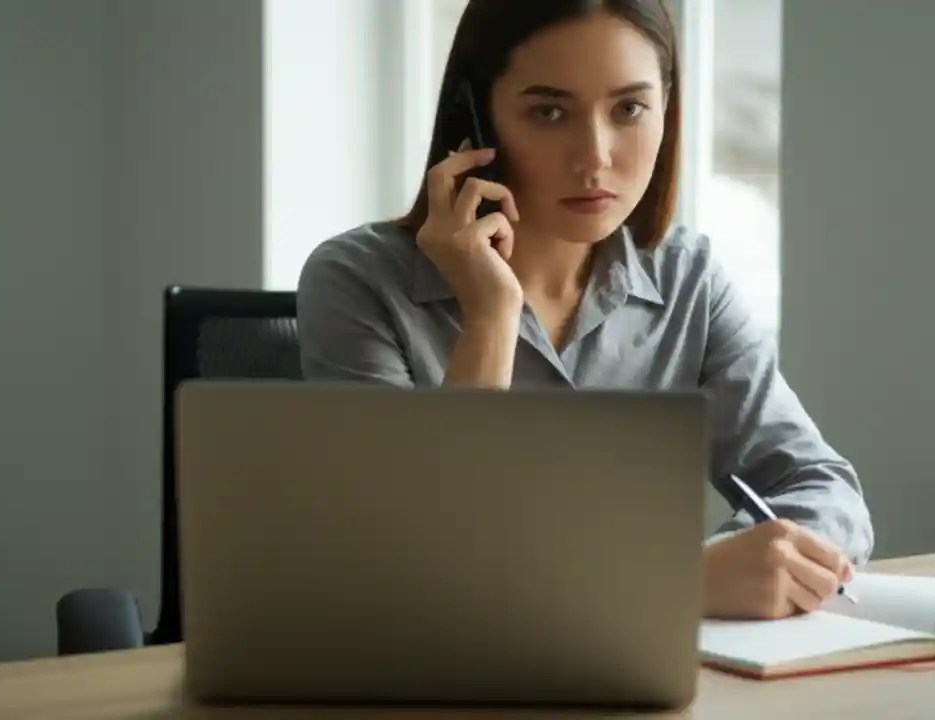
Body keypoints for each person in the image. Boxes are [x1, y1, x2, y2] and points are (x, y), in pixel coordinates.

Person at [295, 0, 873, 620]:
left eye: (629, 109)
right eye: (548, 112)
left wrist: (745, 563)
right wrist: (491, 316)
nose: (594, 157)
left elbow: (823, 489)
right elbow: (410, 563)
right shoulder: (354, 281)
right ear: (476, 119)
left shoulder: (687, 278)